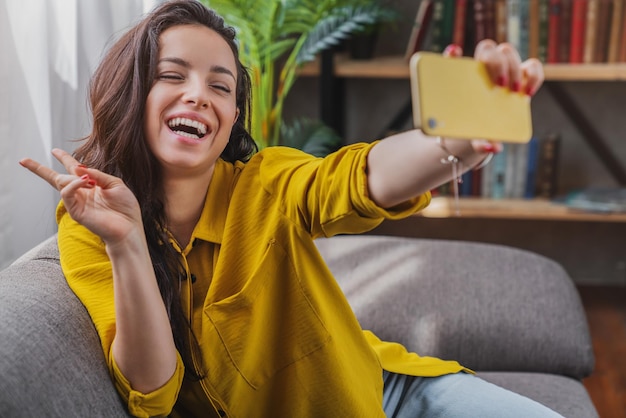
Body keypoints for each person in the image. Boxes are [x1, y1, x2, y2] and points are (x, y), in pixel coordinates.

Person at [20, 1, 555, 417]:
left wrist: (458, 137)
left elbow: (361, 177)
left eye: (220, 86)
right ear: (131, 93)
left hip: (395, 396)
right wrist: (128, 242)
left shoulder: (265, 182)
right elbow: (153, 392)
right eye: (172, 75)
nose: (199, 95)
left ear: (231, 117)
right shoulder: (90, 227)